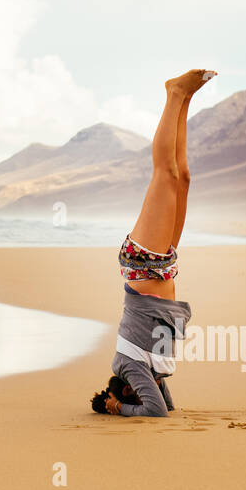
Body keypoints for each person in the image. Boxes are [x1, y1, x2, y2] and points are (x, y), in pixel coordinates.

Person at [91, 69, 215, 417]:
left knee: (166, 174)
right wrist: (150, 388)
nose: (147, 390)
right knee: (183, 177)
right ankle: (186, 100)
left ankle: (174, 93)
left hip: (143, 266)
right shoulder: (153, 371)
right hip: (162, 271)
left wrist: (117, 408)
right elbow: (168, 406)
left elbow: (156, 412)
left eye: (137, 394)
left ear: (129, 390)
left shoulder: (128, 367)